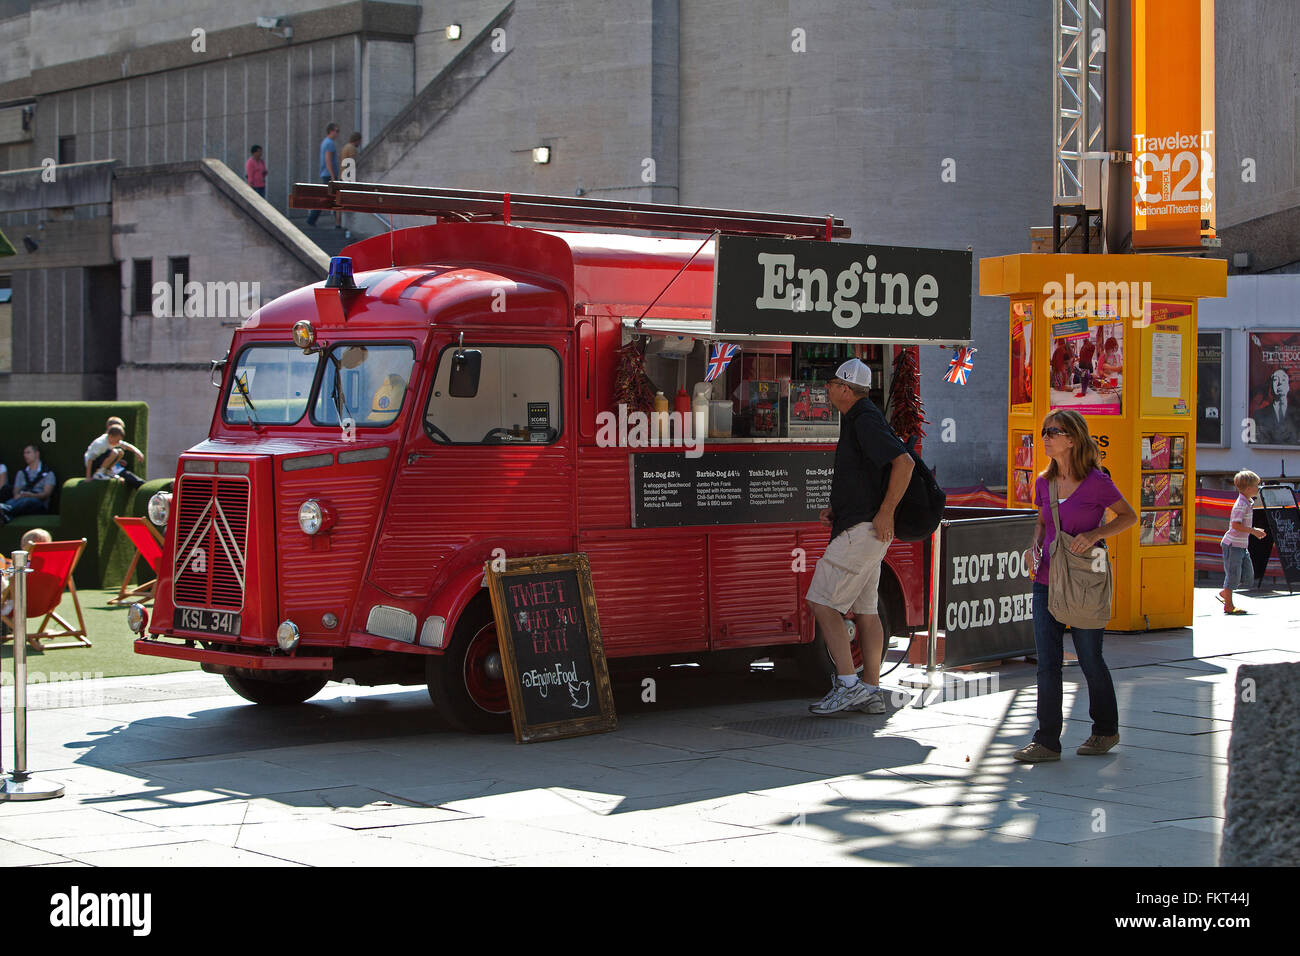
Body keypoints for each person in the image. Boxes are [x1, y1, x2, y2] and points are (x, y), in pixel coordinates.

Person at [1015, 409, 1138, 762]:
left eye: (1052, 432)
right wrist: (1033, 547)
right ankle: (1047, 741)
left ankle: (1105, 730)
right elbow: (1041, 523)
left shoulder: (1097, 481)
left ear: (1072, 438)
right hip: (1046, 579)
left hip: (1084, 579)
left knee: (1089, 657)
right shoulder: (1043, 482)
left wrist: (1097, 533)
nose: (1045, 437)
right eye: (1043, 432)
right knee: (1047, 662)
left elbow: (1128, 516)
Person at [805, 358, 914, 716]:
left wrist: (885, 512)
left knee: (823, 603)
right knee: (867, 611)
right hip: (863, 527)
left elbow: (905, 463)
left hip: (863, 532)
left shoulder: (864, 418)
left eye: (833, 383)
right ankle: (870, 689)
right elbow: (869, 475)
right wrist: (840, 508)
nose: (828, 388)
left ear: (846, 389)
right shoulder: (861, 417)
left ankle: (849, 685)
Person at [1219, 469, 1268, 614]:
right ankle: (1228, 605)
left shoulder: (1247, 502)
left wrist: (1253, 529)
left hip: (1241, 545)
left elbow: (1242, 525)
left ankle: (1225, 592)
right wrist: (1253, 531)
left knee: (1247, 576)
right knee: (1233, 575)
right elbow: (1235, 524)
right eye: (1256, 486)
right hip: (1233, 545)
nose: (1258, 488)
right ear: (1248, 488)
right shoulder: (1241, 504)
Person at [0, 444, 56, 525]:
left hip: (38, 503)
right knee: (13, 501)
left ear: (37, 454)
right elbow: (16, 492)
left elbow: (46, 494)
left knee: (27, 501)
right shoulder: (21, 473)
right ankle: (5, 514)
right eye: (24, 453)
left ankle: (4, 511)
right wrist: (18, 495)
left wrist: (31, 495)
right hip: (20, 500)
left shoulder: (48, 473)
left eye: (28, 452)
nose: (25, 455)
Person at [84, 420, 144, 490]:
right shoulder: (100, 443)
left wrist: (138, 452)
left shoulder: (112, 440)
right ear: (111, 436)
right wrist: (88, 477)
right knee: (115, 452)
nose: (118, 442)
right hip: (93, 465)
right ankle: (99, 473)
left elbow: (126, 445)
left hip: (100, 462)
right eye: (117, 440)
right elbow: (90, 459)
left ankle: (107, 471)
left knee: (120, 452)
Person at [305, 123, 341, 228]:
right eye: (337, 131)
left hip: (326, 174)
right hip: (329, 175)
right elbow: (328, 160)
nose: (338, 133)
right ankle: (337, 222)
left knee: (327, 198)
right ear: (331, 131)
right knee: (331, 198)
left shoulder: (326, 142)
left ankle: (312, 219)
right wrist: (333, 176)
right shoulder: (330, 143)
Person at [1252, 368, 1300, 445]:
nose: (1280, 383)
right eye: (1276, 380)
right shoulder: (1259, 415)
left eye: (1283, 380)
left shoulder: (1298, 413)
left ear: (1288, 386)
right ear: (1271, 387)